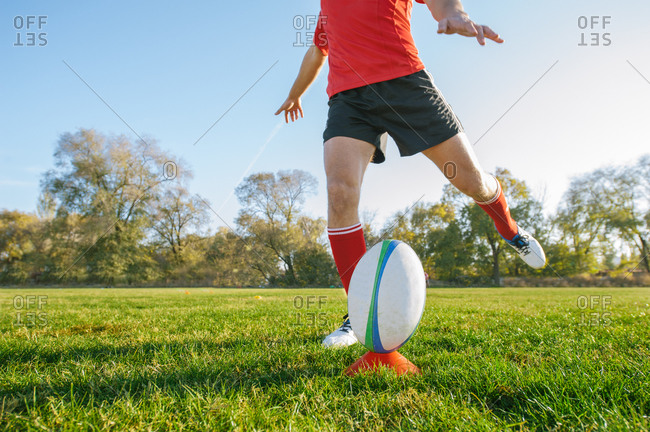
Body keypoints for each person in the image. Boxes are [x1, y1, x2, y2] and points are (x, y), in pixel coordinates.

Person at [275, 0, 546, 348]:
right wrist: (295, 95)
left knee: (470, 180)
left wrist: (454, 15)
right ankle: (359, 313)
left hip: (404, 84)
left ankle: (509, 229)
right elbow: (318, 50)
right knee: (340, 193)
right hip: (348, 100)